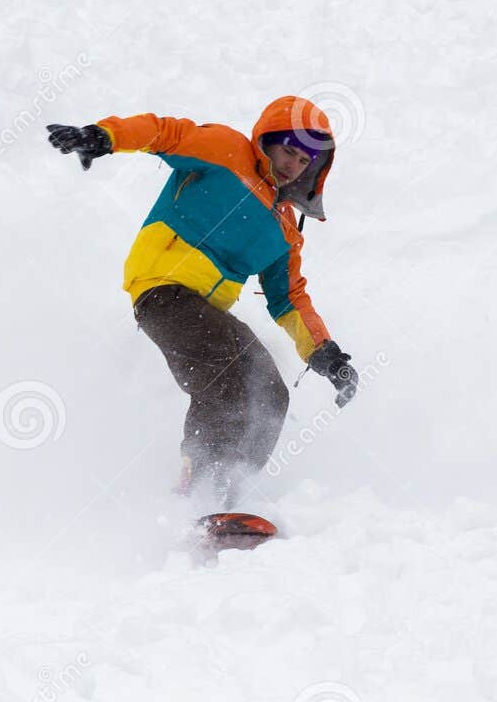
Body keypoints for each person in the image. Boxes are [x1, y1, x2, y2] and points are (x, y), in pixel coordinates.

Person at [46, 97, 359, 505]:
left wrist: (327, 355)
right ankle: (197, 491)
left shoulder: (284, 228)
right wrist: (103, 137)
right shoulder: (226, 151)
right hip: (162, 288)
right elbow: (163, 133)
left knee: (270, 392)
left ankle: (232, 495)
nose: (292, 165)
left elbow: (289, 300)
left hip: (207, 311)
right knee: (221, 379)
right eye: (288, 151)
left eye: (303, 161)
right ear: (266, 141)